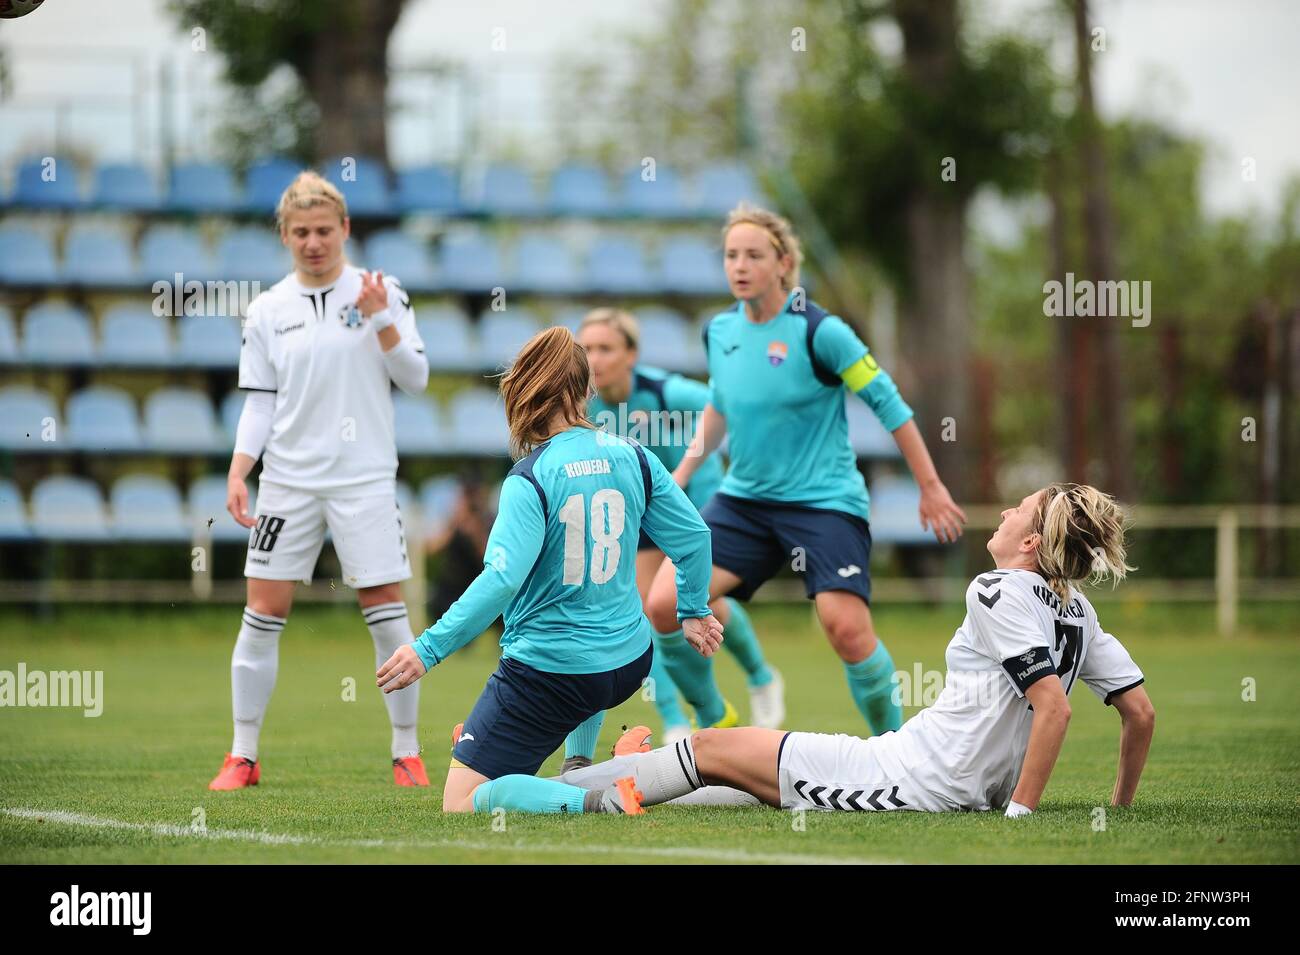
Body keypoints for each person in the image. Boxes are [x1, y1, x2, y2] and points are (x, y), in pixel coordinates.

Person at [573, 484, 1155, 817]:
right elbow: (1141, 713)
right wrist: (1120, 806)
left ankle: (559, 792)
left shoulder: (996, 587)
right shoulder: (1077, 608)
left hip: (914, 782)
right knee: (741, 775)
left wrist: (1021, 813)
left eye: (1017, 509)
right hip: (917, 767)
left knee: (708, 746)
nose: (1004, 512)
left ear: (1029, 540)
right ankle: (614, 780)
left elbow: (1053, 707)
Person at [646, 202, 966, 737]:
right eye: (730, 255)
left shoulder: (823, 332)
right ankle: (714, 718)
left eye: (754, 255)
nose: (740, 265)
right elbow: (720, 407)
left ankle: (897, 751)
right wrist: (680, 475)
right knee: (662, 604)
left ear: (784, 262)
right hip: (744, 501)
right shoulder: (719, 331)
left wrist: (929, 487)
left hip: (824, 503)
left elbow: (889, 403)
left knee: (845, 630)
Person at [375, 326, 721, 814]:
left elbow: (501, 580)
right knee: (576, 670)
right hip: (628, 662)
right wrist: (692, 609)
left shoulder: (529, 477)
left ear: (522, 393)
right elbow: (694, 538)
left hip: (553, 675)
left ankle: (597, 799)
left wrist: (426, 650)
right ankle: (579, 764)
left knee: (462, 799)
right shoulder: (635, 456)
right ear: (585, 390)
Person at [210, 170, 431, 790]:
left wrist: (380, 318)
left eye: (324, 230)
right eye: (301, 232)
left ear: (345, 230)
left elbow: (415, 377)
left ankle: (406, 753)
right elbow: (259, 402)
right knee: (262, 611)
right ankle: (243, 755)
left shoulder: (381, 291)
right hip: (287, 482)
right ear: (284, 235)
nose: (314, 242)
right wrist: (238, 471)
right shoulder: (267, 310)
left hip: (363, 481)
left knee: (385, 610)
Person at [557, 308, 782, 766]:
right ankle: (677, 717)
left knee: (698, 602)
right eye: (587, 349)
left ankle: (761, 676)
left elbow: (726, 404)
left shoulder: (665, 391)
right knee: (647, 611)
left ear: (631, 354)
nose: (595, 358)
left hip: (691, 500)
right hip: (638, 511)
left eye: (606, 348)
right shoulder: (582, 403)